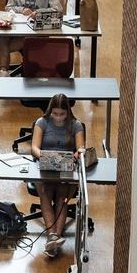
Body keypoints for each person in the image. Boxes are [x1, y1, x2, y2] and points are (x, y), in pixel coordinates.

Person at [31, 93, 85, 257]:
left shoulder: (76, 125)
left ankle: (53, 238)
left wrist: (76, 154)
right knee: (45, 194)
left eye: (62, 114)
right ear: (50, 111)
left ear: (68, 112)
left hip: (66, 169)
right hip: (45, 167)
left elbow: (80, 148)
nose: (59, 117)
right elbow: (34, 147)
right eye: (55, 113)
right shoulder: (42, 123)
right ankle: (54, 237)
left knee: (62, 196)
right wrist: (45, 157)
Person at [0, 0, 62, 74]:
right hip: (19, 27)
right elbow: (8, 7)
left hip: (37, 31)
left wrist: (39, 13)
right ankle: (3, 72)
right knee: (3, 37)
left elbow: (58, 11)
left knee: (4, 45)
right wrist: (21, 10)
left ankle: (4, 69)